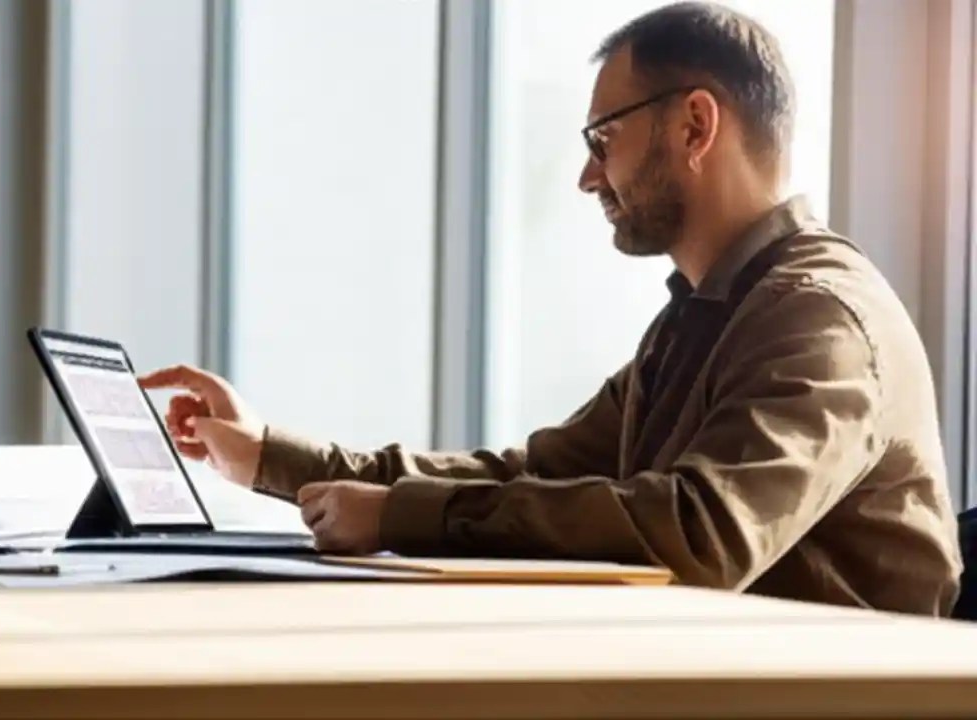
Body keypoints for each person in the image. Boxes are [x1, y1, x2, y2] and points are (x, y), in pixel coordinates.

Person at [139, 1, 962, 616]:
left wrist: (400, 517)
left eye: (603, 139)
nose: (587, 177)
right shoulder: (703, 319)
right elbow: (530, 475)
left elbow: (701, 533)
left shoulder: (819, 321)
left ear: (695, 126)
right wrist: (269, 457)